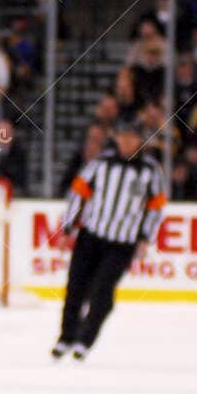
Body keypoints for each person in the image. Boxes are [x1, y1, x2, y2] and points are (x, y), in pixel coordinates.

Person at [53, 117, 167, 361]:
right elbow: (77, 195)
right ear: (115, 138)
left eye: (131, 137)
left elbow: (156, 208)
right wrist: (67, 229)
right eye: (122, 137)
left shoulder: (150, 171)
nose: (126, 142)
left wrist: (146, 237)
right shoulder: (100, 164)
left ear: (140, 140)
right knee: (75, 287)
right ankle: (66, 336)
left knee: (102, 291)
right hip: (90, 236)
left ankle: (85, 339)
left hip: (122, 243)